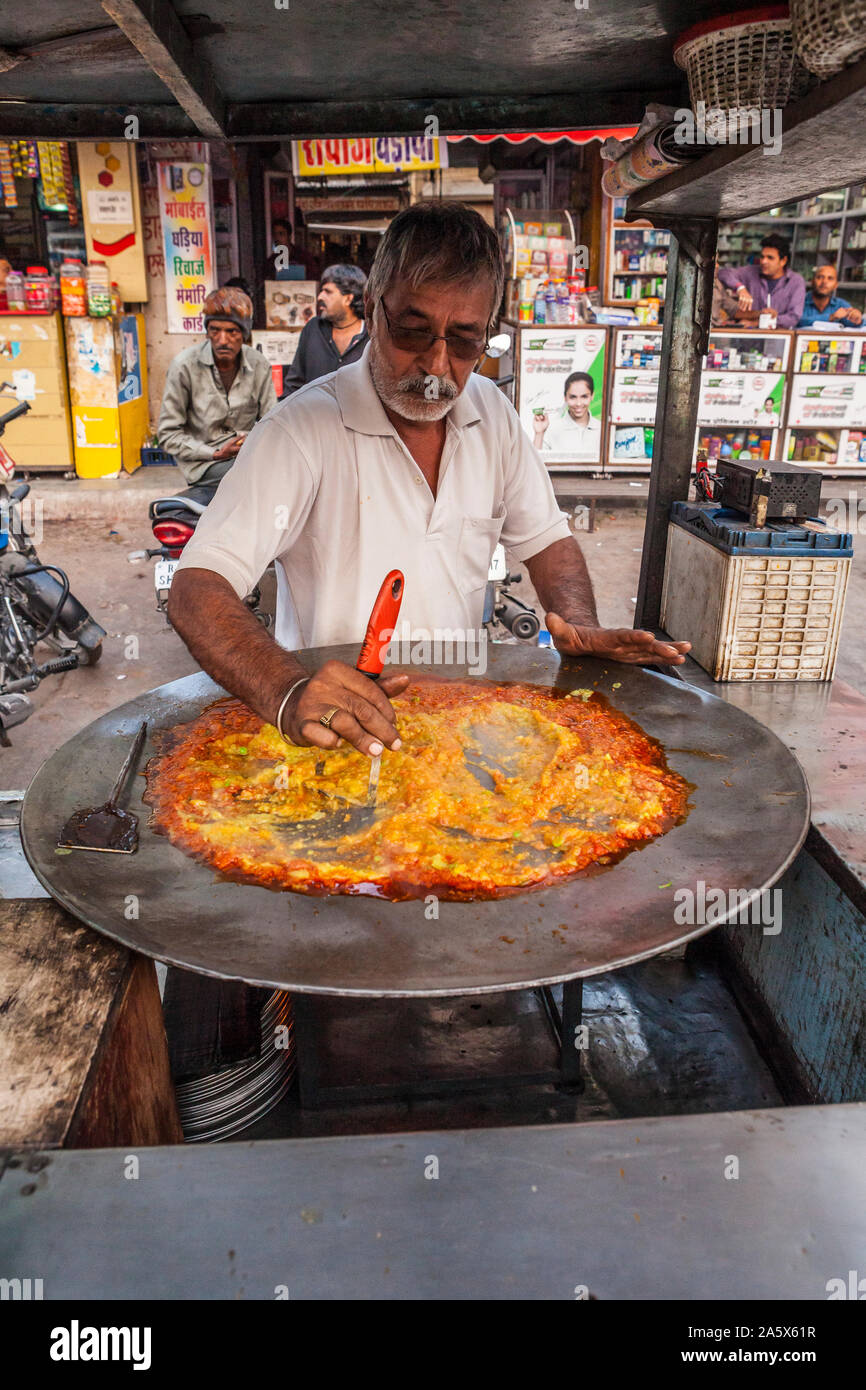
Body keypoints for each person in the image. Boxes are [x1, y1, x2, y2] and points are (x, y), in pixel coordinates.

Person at [169, 200, 689, 764]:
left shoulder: (493, 415)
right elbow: (196, 586)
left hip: (465, 733)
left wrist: (579, 624)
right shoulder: (300, 431)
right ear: (372, 308)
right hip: (337, 736)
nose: (438, 366)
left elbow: (546, 542)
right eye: (415, 332)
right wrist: (288, 689)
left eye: (466, 341)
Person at [157, 286, 277, 486]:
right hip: (203, 464)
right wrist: (215, 453)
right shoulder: (184, 366)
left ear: (244, 334)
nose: (223, 340)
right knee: (260, 474)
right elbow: (168, 434)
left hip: (247, 456)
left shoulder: (259, 364)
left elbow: (272, 420)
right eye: (215, 330)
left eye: (231, 332)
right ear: (207, 332)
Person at [280, 263, 368, 398]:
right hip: (314, 417)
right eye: (321, 291)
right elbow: (294, 384)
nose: (320, 297)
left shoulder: (371, 335)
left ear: (348, 298)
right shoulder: (313, 329)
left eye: (327, 291)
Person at [717, 234, 806, 329]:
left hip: (779, 339)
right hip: (748, 338)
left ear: (783, 261)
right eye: (762, 257)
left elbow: (793, 317)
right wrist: (740, 288)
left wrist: (758, 323)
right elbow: (723, 273)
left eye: (770, 258)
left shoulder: (796, 281)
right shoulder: (750, 272)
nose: (764, 261)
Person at [531, 372, 601, 461]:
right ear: (565, 397)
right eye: (573, 397)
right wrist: (539, 434)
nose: (578, 403)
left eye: (584, 397)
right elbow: (534, 464)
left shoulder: (602, 430)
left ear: (592, 396)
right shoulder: (551, 428)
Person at [799, 262, 863, 328]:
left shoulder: (840, 304)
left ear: (836, 285)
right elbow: (796, 321)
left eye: (830, 278)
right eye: (820, 277)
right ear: (812, 281)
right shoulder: (799, 301)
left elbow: (855, 324)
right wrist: (831, 317)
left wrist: (858, 320)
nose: (824, 282)